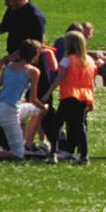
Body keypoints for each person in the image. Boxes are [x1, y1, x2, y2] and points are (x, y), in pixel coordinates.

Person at [0, 40, 43, 161]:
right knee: (18, 154)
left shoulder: (9, 66)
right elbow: (33, 99)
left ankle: (25, 142)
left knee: (35, 110)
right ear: (35, 55)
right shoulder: (33, 71)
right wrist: (44, 107)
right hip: (10, 112)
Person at [42, 30, 96, 165]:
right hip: (84, 95)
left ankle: (53, 152)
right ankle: (84, 155)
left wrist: (48, 93)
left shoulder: (67, 60)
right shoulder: (90, 61)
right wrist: (92, 99)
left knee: (57, 124)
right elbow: (91, 82)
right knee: (80, 126)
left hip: (69, 94)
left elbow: (59, 78)